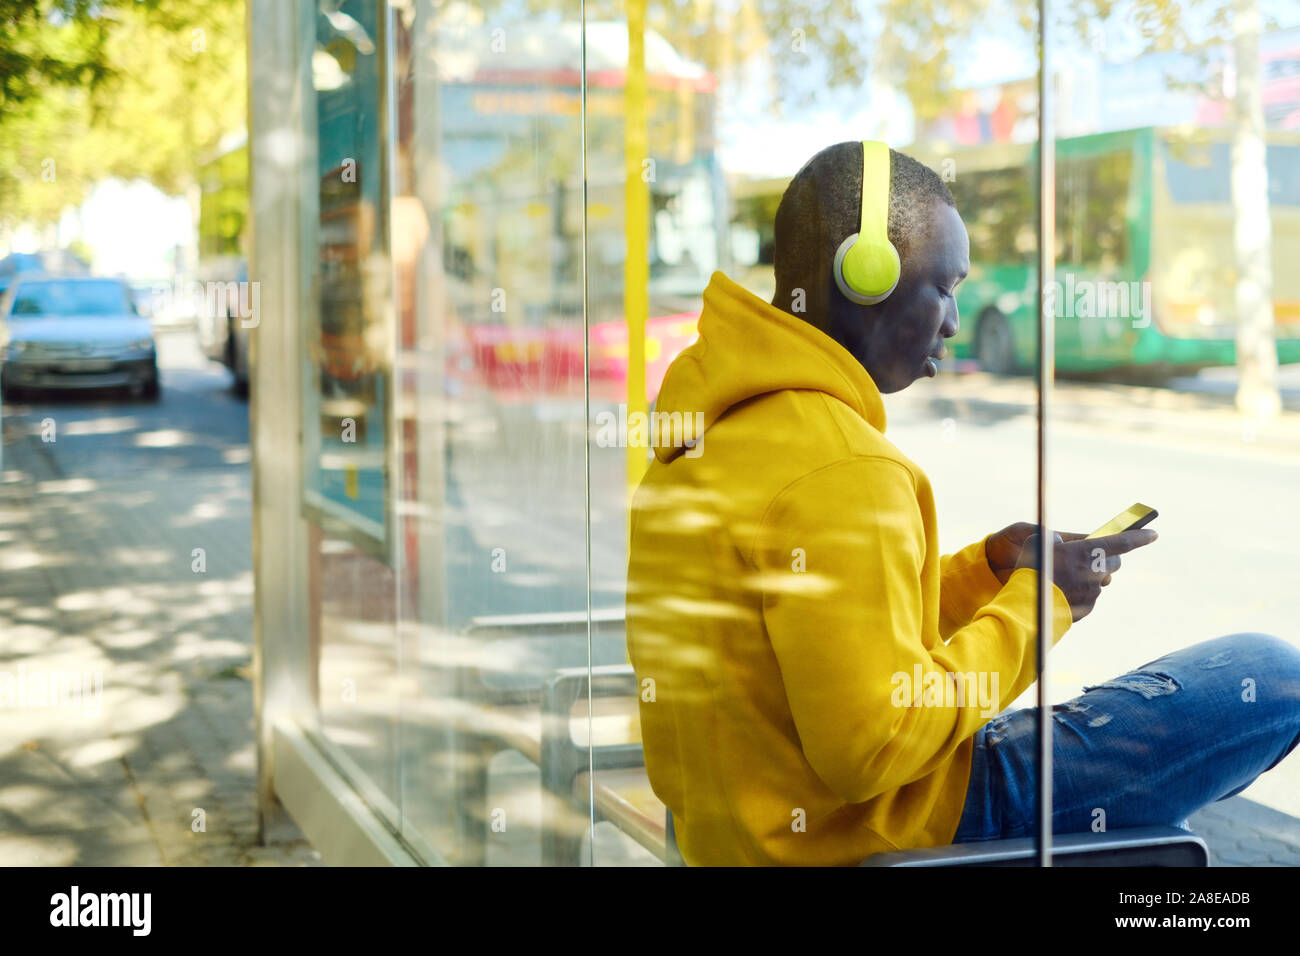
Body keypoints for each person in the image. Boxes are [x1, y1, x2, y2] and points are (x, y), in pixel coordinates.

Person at [624, 140, 1300, 866]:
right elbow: (874, 745)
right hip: (894, 832)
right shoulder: (841, 466)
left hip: (732, 834)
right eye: (946, 287)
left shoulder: (708, 431)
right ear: (867, 275)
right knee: (1268, 678)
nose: (953, 322)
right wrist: (1042, 605)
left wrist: (986, 572)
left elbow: (817, 628)